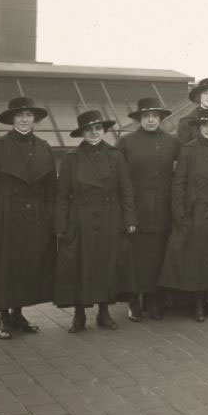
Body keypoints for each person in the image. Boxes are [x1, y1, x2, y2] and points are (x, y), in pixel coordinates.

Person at [0, 96, 58, 340]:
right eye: (19, 115)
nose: (24, 120)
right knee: (4, 267)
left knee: (27, 267)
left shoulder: (44, 147)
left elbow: (52, 189)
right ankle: (4, 317)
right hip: (4, 217)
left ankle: (18, 314)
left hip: (35, 218)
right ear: (12, 119)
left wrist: (52, 218)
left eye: (29, 115)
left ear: (34, 119)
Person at [53, 110, 137, 333]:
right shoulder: (72, 158)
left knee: (106, 264)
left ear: (104, 130)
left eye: (98, 128)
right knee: (79, 265)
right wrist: (60, 224)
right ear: (82, 132)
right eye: (89, 129)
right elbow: (62, 195)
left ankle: (104, 312)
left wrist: (129, 218)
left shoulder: (115, 156)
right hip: (80, 219)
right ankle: (79, 314)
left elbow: (126, 189)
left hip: (110, 217)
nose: (94, 133)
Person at [159, 108, 208, 321]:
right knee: (196, 257)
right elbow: (179, 183)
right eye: (205, 125)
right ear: (199, 128)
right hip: (195, 210)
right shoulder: (188, 150)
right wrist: (179, 213)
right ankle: (197, 302)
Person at [117, 97, 181, 321]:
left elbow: (181, 173)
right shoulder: (126, 142)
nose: (151, 120)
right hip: (137, 208)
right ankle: (134, 300)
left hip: (163, 208)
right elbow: (119, 178)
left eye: (155, 116)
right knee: (136, 257)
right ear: (139, 119)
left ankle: (154, 299)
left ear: (161, 118)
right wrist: (127, 212)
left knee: (158, 255)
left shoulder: (172, 142)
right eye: (146, 116)